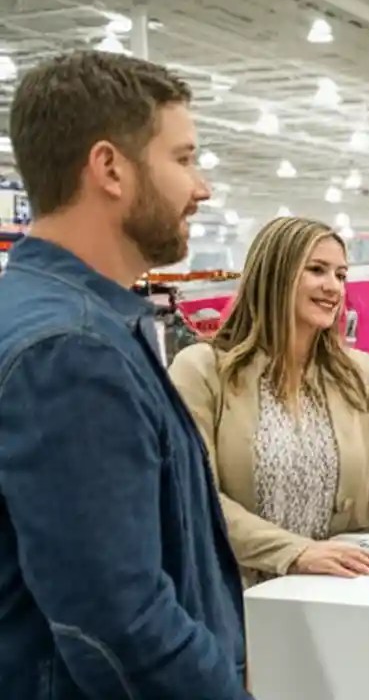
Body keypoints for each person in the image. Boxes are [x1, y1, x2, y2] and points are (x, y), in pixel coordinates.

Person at [0, 52, 250, 697]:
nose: (202, 188)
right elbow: (119, 624)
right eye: (183, 159)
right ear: (110, 168)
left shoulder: (60, 319)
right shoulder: (72, 350)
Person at [168, 215, 369, 586]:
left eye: (341, 275)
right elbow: (195, 494)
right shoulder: (202, 370)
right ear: (273, 274)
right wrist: (296, 552)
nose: (334, 287)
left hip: (339, 591)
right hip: (239, 593)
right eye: (316, 270)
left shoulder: (361, 373)